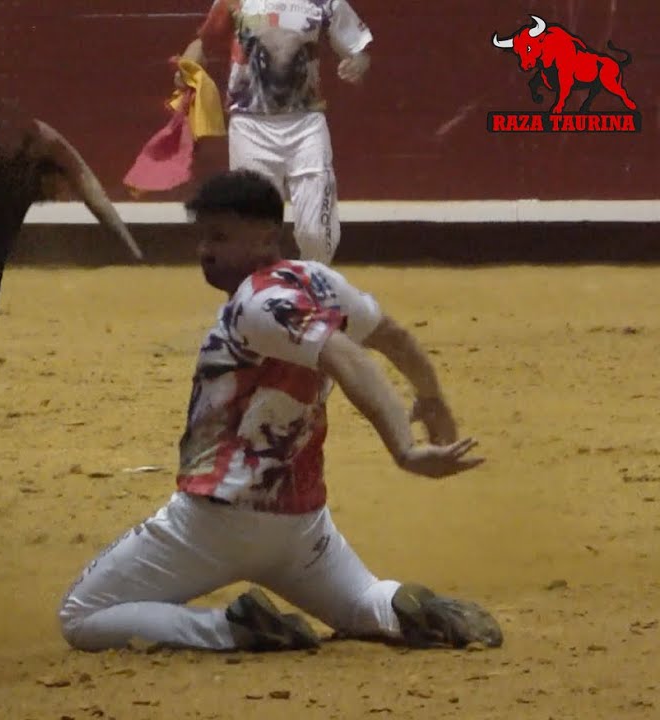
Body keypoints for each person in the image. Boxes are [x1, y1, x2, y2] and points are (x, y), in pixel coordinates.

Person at [57, 169, 502, 654]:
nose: (205, 250)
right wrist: (430, 395)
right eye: (202, 236)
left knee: (81, 616)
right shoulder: (318, 281)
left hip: (216, 520)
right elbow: (391, 337)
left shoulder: (259, 304)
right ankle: (396, 608)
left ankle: (231, 630)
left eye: (221, 237)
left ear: (266, 235)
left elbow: (347, 356)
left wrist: (405, 449)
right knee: (361, 603)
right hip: (301, 525)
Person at [175, 0, 373, 264]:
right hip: (250, 127)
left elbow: (358, 49)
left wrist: (358, 63)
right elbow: (203, 42)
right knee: (252, 230)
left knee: (315, 233)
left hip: (306, 124)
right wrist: (187, 67)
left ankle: (313, 286)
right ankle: (261, 295)